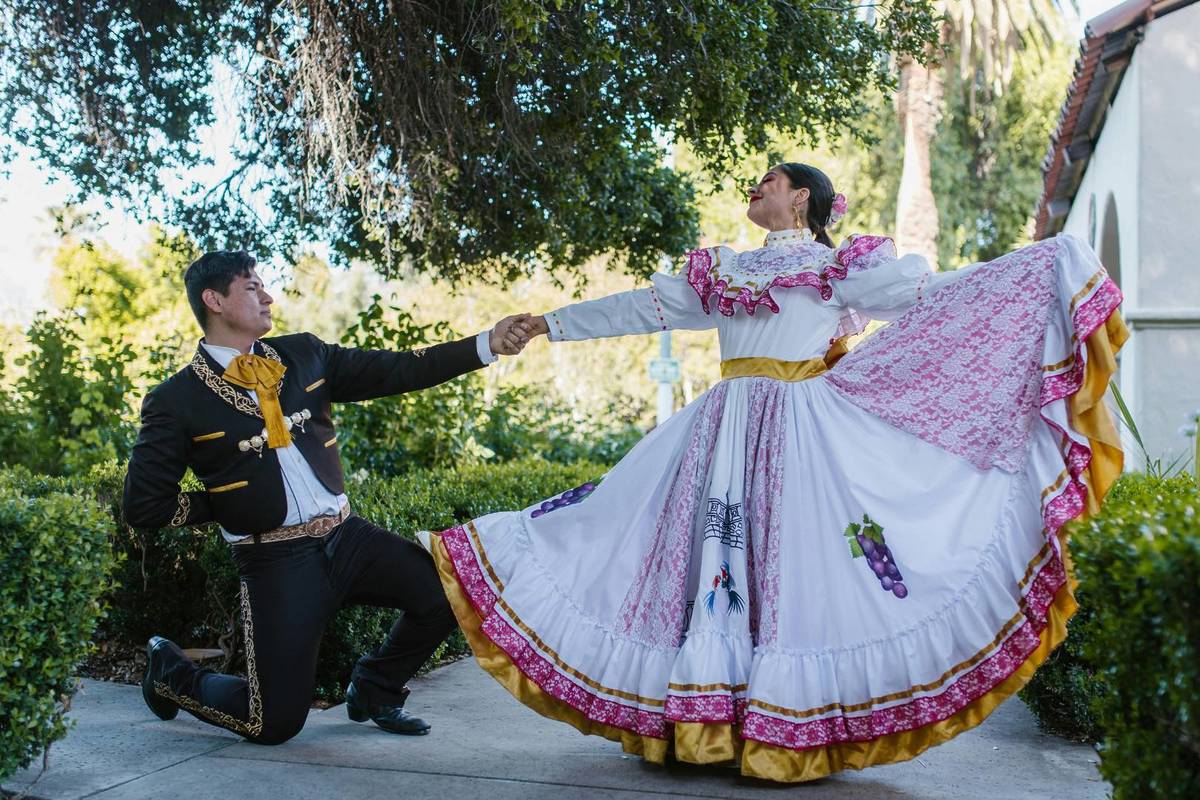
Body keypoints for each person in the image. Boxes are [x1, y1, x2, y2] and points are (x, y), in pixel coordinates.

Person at [423, 163, 1128, 782]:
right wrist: (551, 322)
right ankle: (704, 724)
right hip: (724, 427)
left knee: (796, 565)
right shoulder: (725, 268)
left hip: (801, 431)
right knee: (683, 556)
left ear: (803, 201)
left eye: (772, 180)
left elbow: (932, 296)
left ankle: (779, 724)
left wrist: (1035, 268)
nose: (757, 187)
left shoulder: (840, 268)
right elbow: (644, 308)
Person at [124, 250, 530, 745]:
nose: (268, 295)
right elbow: (145, 505)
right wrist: (230, 504)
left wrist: (486, 343)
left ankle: (375, 689)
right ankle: (171, 674)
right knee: (271, 724)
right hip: (275, 559)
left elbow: (397, 370)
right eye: (252, 288)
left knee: (445, 593)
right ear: (214, 300)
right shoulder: (175, 399)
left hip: (346, 537)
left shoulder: (303, 354)